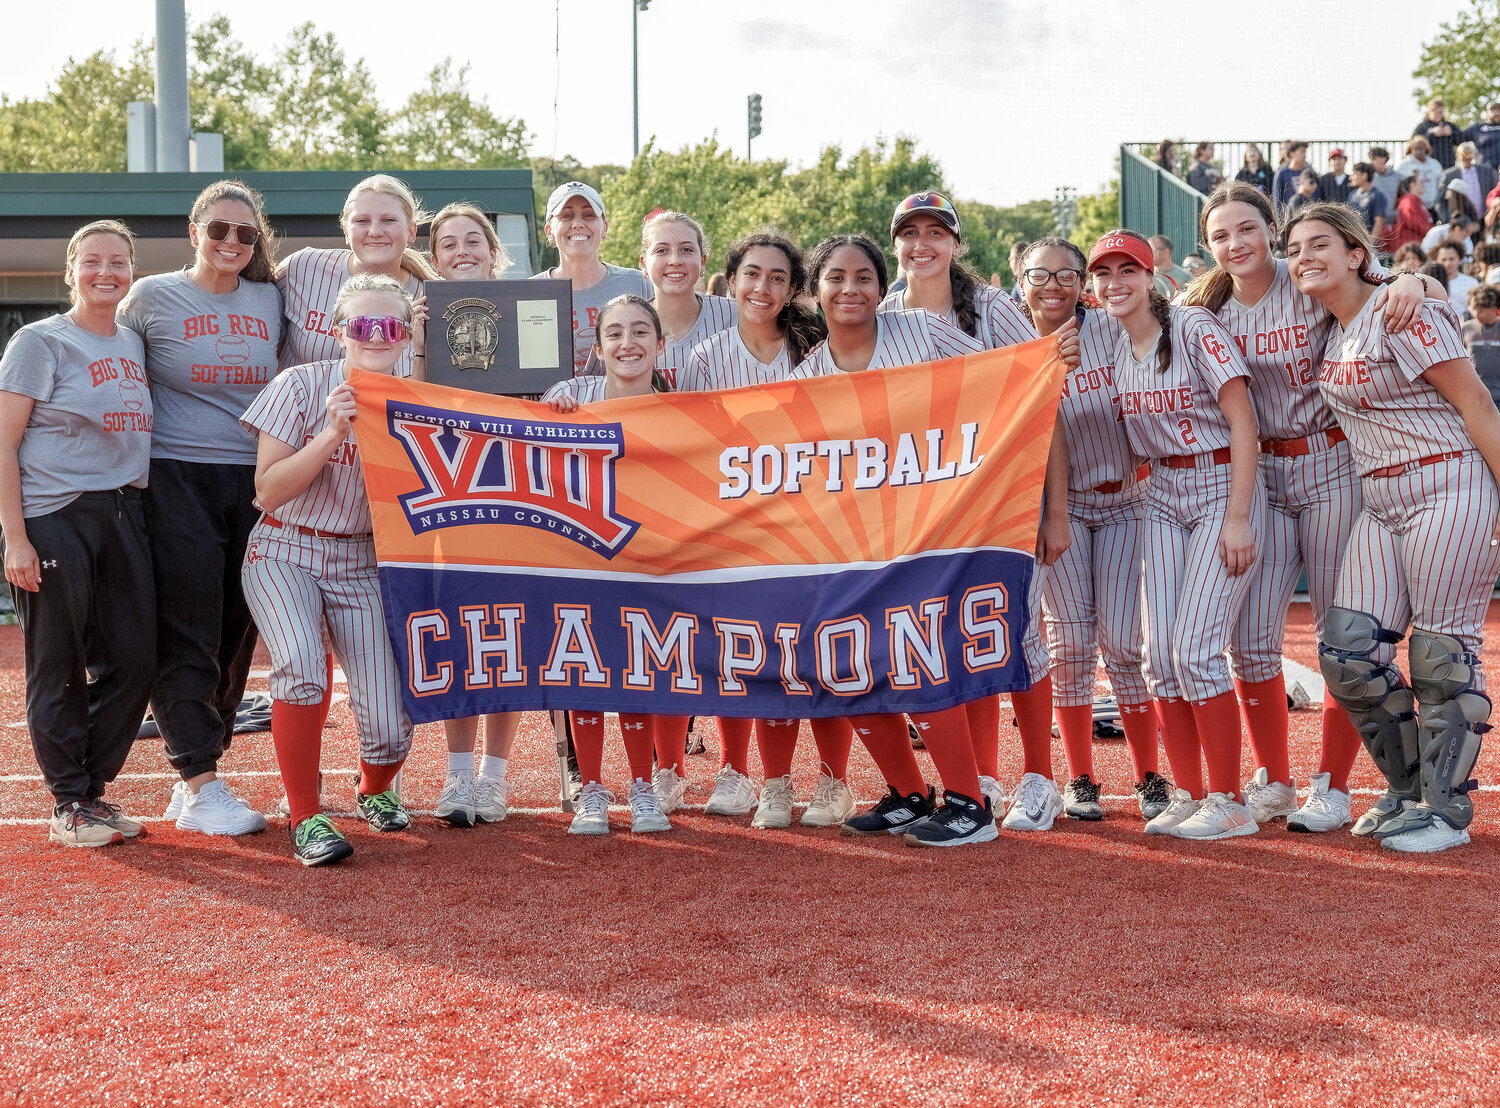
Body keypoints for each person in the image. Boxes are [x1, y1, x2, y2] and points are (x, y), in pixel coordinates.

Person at [1184, 182, 1435, 832]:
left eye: (1247, 229)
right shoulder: (1203, 307)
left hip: (1330, 466)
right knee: (1252, 643)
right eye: (1220, 235)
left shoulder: (1306, 278)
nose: (1235, 243)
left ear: (1270, 229)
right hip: (1259, 474)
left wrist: (1415, 278)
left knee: (1339, 636)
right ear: (1207, 245)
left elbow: (1393, 287)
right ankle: (1273, 779)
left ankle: (1333, 786)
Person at [1285, 201, 1500, 853]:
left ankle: (1444, 811)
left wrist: (1415, 282)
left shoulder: (1399, 309)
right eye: (1294, 249)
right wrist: (1421, 277)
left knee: (1441, 652)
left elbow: (1476, 401)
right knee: (1346, 654)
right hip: (1381, 502)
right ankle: (1407, 790)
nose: (1304, 258)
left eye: (1319, 243)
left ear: (1356, 253)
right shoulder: (1332, 328)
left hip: (1448, 484)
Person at [790, 234, 1006, 846]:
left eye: (863, 277)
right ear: (817, 290)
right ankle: (909, 793)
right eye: (835, 277)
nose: (850, 289)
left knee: (918, 657)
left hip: (932, 529)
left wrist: (1051, 354)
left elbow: (997, 377)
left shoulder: (918, 331)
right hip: (853, 540)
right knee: (846, 661)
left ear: (882, 289)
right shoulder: (808, 375)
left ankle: (970, 803)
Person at [879, 193, 1068, 831]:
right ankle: (982, 775)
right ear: (896, 243)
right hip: (925, 507)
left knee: (1021, 635)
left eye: (936, 233)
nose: (922, 245)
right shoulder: (883, 315)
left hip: (1003, 496)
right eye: (910, 234)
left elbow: (1047, 404)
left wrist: (1055, 508)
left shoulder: (990, 309)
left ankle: (1040, 777)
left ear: (956, 244)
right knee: (958, 637)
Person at [1088, 228, 1265, 841]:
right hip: (1160, 494)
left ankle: (1231, 799)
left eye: (1127, 270)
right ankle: (1188, 793)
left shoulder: (1189, 327)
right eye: (1103, 272)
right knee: (1159, 659)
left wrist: (1240, 515)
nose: (1115, 282)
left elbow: (1244, 418)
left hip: (1220, 483)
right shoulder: (1111, 344)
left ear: (1151, 275)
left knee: (1195, 652)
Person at [117, 180, 280, 837]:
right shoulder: (151, 297)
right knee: (189, 623)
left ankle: (196, 775)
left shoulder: (273, 297)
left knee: (238, 630)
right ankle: (200, 778)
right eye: (219, 231)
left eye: (245, 234)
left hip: (256, 479)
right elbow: (103, 359)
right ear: (195, 233)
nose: (232, 243)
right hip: (173, 475)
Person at [240, 273, 419, 866]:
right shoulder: (300, 384)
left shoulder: (419, 399)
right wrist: (331, 432)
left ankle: (372, 790)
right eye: (363, 325)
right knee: (300, 667)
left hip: (362, 558)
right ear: (340, 331)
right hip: (285, 546)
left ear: (407, 334)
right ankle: (305, 814)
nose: (376, 336)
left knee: (391, 723)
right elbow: (268, 492)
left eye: (389, 326)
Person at [678, 233, 848, 829]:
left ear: (794, 289)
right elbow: (691, 447)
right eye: (753, 274)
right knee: (748, 650)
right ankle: (762, 779)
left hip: (813, 523)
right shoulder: (707, 357)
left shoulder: (815, 350)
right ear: (730, 281)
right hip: (740, 525)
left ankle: (833, 782)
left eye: (778, 278)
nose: (763, 288)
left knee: (822, 652)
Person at [0, 220, 155, 848]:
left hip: (123, 511)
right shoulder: (39, 343)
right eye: (92, 261)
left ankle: (90, 788)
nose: (105, 273)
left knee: (136, 658)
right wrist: (15, 536)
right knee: (58, 664)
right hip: (54, 514)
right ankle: (70, 799)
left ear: (130, 272)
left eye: (117, 262)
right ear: (71, 271)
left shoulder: (133, 341)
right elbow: (4, 443)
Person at [1021, 238, 1167, 822]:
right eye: (1040, 274)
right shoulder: (1009, 340)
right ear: (1020, 277)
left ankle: (1149, 776)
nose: (1052, 285)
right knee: (1071, 644)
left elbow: (1177, 325)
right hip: (1061, 510)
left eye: (1066, 274)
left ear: (1082, 281)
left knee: (1125, 646)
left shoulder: (1109, 328)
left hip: (1127, 500)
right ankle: (1079, 777)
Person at [542, 295, 687, 835]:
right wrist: (546, 419)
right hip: (580, 555)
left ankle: (643, 785)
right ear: (598, 349)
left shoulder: (682, 410)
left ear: (660, 344)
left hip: (648, 562)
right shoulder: (570, 396)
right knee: (584, 671)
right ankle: (593, 789)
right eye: (616, 334)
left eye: (641, 332)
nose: (629, 343)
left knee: (636, 674)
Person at [423, 202, 523, 828]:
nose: (462, 251)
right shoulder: (418, 319)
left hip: (515, 495)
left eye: (473, 241)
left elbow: (550, 394)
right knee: (459, 633)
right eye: (448, 243)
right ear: (433, 258)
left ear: (493, 252)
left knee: (504, 637)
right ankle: (457, 773)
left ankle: (495, 777)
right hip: (444, 492)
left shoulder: (530, 316)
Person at [277, 173, 434, 377]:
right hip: (302, 408)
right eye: (362, 221)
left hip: (382, 409)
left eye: (388, 220)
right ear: (345, 230)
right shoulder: (301, 268)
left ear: (412, 231)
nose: (375, 231)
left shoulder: (430, 299)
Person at [530, 182, 651, 377]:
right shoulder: (527, 293)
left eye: (588, 215)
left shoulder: (640, 285)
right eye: (566, 216)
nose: (578, 223)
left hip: (619, 405)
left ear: (604, 227)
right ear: (549, 231)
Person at [640, 210, 736, 391]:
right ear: (644, 263)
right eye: (662, 250)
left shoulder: (736, 316)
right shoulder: (622, 326)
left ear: (703, 261)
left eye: (686, 249)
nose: (675, 260)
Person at [1441, 143, 1498, 223]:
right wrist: (1448, 219)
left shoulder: (1487, 171)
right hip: (1461, 223)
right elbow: (1440, 200)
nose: (1467, 158)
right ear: (1457, 156)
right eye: (1464, 155)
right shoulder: (1448, 176)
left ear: (1474, 154)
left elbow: (1495, 192)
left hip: (1486, 220)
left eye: (1469, 154)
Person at [1464, 285, 1500, 409]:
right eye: (1474, 309)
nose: (1475, 314)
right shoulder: (1466, 329)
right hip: (1475, 395)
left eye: (1481, 310)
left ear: (1493, 308)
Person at [1384, 176, 1434, 255]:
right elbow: (1414, 222)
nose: (1423, 185)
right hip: (1410, 247)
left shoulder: (1414, 200)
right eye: (1420, 183)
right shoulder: (1408, 201)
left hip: (1416, 245)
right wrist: (1432, 232)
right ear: (1412, 185)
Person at [1397, 138, 1445, 215]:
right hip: (1413, 207)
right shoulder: (1404, 165)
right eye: (1416, 149)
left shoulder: (1435, 164)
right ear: (1411, 149)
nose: (1418, 151)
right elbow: (1399, 186)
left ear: (1426, 148)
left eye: (1421, 148)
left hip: (1432, 206)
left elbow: (1440, 184)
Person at [1347, 162, 1391, 241]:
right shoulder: (1352, 195)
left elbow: (1379, 221)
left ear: (1364, 175)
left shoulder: (1377, 195)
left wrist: (1371, 242)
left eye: (1354, 174)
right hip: (1354, 240)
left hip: (1370, 242)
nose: (1351, 177)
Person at [1434, 242, 1479, 317]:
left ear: (1459, 259)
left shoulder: (1471, 282)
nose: (1448, 263)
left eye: (1452, 259)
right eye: (1443, 260)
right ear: (1436, 260)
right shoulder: (1432, 284)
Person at [1414, 97, 1460, 169]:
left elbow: (1461, 140)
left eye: (1441, 112)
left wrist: (1452, 133)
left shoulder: (1450, 126)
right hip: (1429, 165)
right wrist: (1431, 134)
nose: (1438, 114)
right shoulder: (1422, 127)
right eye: (1436, 112)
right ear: (1430, 112)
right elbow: (1414, 143)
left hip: (1448, 165)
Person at [1274, 142, 1314, 211]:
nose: (1304, 155)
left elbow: (1316, 195)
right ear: (1292, 153)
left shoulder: (1309, 172)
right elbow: (1277, 199)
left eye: (1305, 152)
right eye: (1302, 152)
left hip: (1307, 216)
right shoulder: (1282, 174)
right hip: (1287, 217)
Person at [1470, 101, 1500, 169]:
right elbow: (1457, 137)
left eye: (1499, 110)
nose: (1496, 113)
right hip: (1485, 171)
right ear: (1487, 113)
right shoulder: (1477, 128)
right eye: (1493, 110)